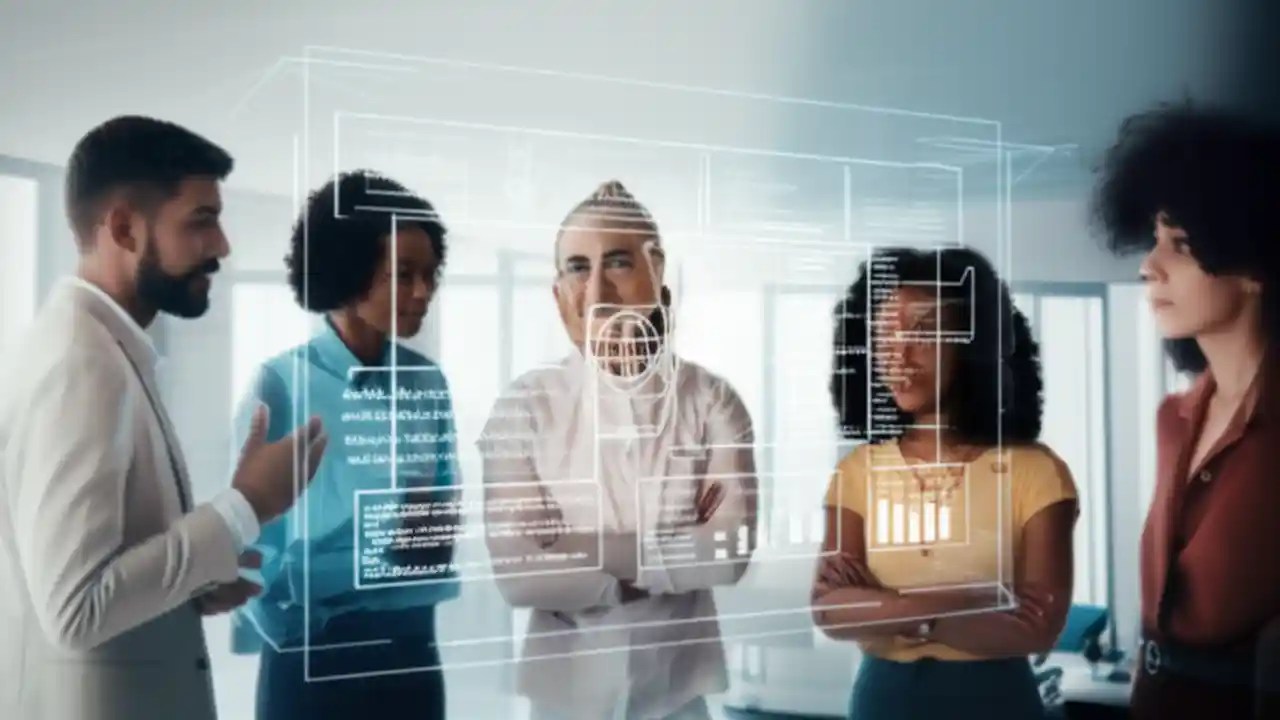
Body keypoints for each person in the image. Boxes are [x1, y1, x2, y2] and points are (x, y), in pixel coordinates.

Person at [0, 116, 327, 720]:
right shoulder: (81, 361)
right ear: (124, 227)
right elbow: (76, 611)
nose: (223, 244)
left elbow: (94, 571)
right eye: (202, 219)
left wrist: (192, 585)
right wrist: (246, 504)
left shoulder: (104, 348)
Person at [478, 180, 758, 720]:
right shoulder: (522, 409)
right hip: (565, 699)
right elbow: (520, 576)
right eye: (578, 267)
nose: (599, 288)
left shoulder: (713, 402)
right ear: (559, 297)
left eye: (620, 262)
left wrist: (578, 548)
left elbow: (727, 556)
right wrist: (665, 557)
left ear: (658, 278)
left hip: (679, 695)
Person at [229, 170, 460, 719]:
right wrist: (378, 555)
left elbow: (439, 534)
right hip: (315, 661)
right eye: (403, 275)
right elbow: (249, 560)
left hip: (412, 657)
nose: (423, 292)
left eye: (430, 274)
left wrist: (416, 545)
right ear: (349, 273)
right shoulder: (282, 386)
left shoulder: (429, 383)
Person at [811, 246, 1078, 720]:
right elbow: (830, 611)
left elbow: (1037, 629)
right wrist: (977, 599)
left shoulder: (1036, 472)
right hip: (883, 700)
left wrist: (890, 608)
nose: (900, 355)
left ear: (972, 343)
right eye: (885, 337)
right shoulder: (857, 472)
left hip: (994, 702)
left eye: (922, 333)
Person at [1091, 103, 1280, 719]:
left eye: (1179, 243)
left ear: (1251, 262)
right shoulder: (1173, 417)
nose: (1149, 265)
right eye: (1151, 240)